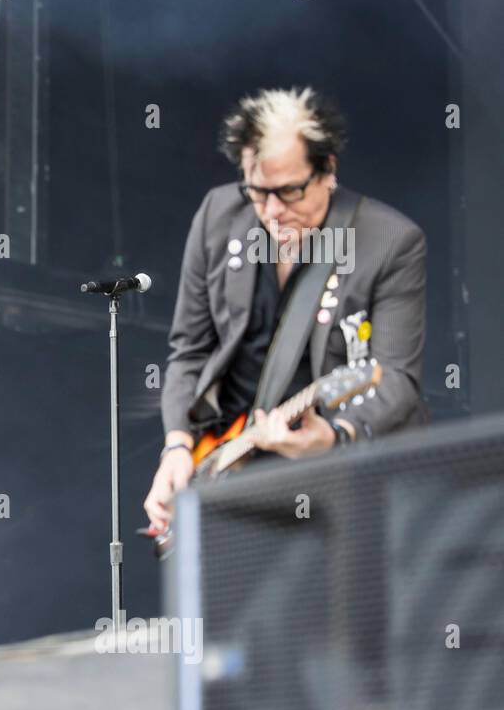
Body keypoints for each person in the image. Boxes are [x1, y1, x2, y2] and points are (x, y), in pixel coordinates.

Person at [144, 87, 427, 538]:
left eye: (290, 191)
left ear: (327, 170)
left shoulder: (390, 241)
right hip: (235, 476)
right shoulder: (218, 215)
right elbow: (189, 351)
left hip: (343, 484)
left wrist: (336, 438)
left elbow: (396, 379)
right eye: (258, 192)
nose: (273, 211)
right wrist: (177, 448)